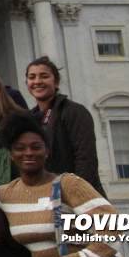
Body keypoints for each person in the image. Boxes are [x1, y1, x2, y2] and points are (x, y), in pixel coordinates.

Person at [0, 111, 118, 257]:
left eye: (36, 147)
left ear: (47, 151)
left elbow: (114, 228)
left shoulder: (69, 185)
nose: (28, 153)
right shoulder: (5, 194)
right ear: (10, 154)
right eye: (20, 148)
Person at [24, 56, 105, 195]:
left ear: (56, 82)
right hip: (46, 197)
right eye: (32, 77)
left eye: (44, 76)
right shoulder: (30, 119)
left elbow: (85, 159)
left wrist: (75, 194)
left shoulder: (75, 112)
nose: (37, 81)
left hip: (79, 198)